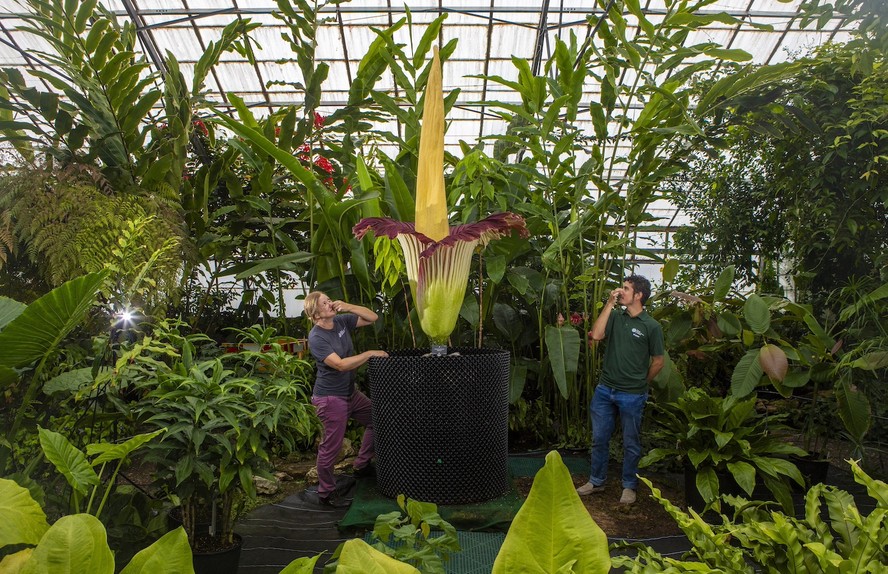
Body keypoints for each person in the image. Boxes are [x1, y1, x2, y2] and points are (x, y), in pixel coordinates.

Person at [577, 275, 664, 505]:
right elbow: (595, 335)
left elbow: (658, 361)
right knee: (599, 438)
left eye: (626, 289)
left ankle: (629, 486)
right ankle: (596, 481)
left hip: (632, 394)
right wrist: (609, 304)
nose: (620, 291)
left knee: (631, 442)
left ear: (639, 295)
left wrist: (642, 383)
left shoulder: (651, 326)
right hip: (605, 390)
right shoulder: (615, 316)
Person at [304, 291, 388, 507]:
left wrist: (349, 306)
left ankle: (360, 465)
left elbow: (373, 318)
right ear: (315, 314)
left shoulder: (341, 321)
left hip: (351, 393)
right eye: (325, 303)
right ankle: (326, 492)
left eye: (329, 300)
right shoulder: (317, 337)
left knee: (377, 419)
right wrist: (369, 353)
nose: (330, 303)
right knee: (331, 447)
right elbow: (340, 364)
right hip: (331, 399)